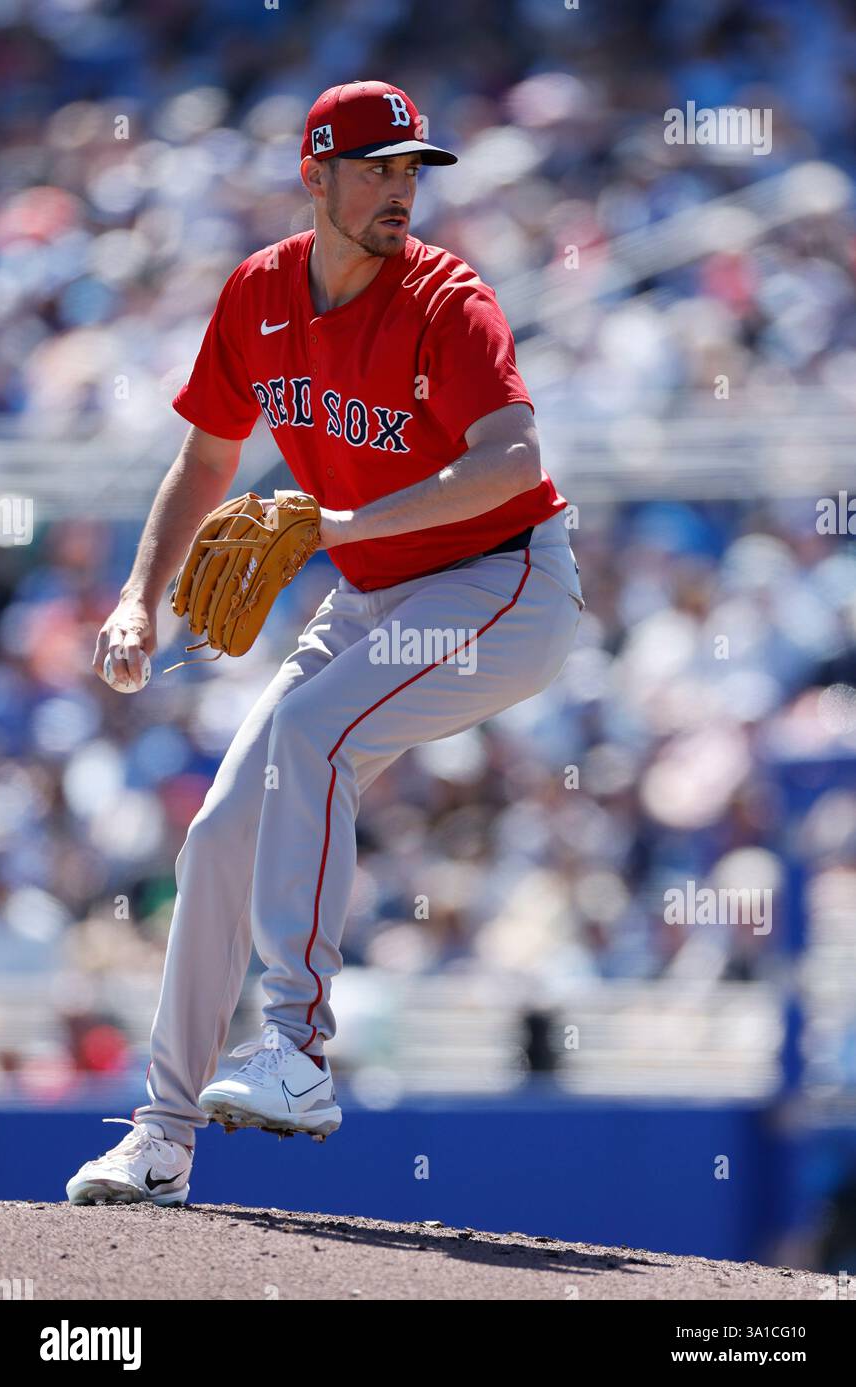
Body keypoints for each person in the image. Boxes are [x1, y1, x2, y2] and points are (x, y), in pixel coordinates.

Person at [66, 80, 584, 1206]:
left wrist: (343, 523)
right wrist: (138, 599)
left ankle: (295, 1048)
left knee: (310, 731)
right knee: (217, 834)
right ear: (315, 175)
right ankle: (161, 1135)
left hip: (501, 582)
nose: (401, 188)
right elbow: (205, 461)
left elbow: (512, 463)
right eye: (376, 167)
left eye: (411, 169)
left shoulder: (450, 299)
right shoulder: (256, 293)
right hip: (370, 600)